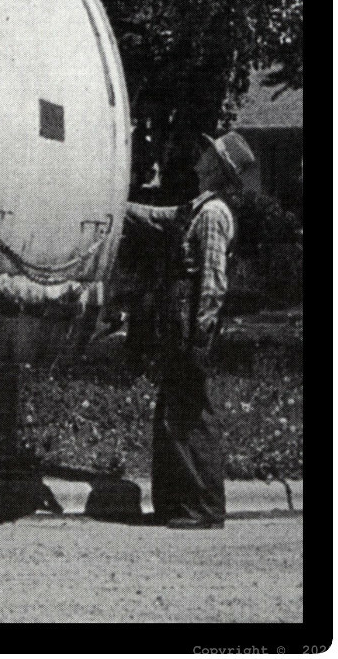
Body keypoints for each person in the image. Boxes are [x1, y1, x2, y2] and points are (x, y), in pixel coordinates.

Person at [123, 130, 257, 529]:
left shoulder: (214, 214)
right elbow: (158, 218)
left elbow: (214, 281)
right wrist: (115, 204)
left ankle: (203, 508)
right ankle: (177, 505)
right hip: (178, 322)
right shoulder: (196, 208)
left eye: (208, 153)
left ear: (216, 167)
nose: (199, 155)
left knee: (192, 415)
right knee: (174, 412)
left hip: (190, 325)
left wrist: (200, 337)